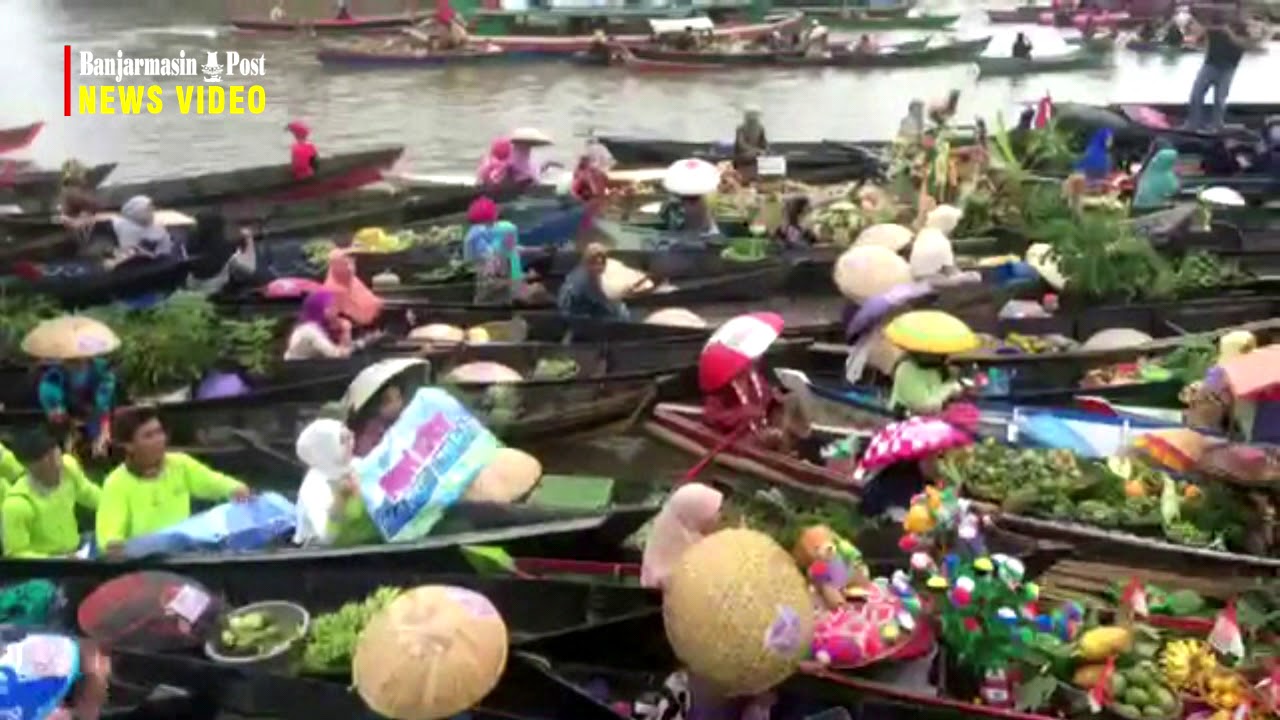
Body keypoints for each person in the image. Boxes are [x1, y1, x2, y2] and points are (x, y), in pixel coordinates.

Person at [95, 406, 250, 551]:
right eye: (149, 436)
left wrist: (236, 489)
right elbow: (111, 543)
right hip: (146, 566)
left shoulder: (180, 464)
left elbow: (215, 482)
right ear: (129, 445)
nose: (160, 440)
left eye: (160, 432)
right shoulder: (116, 484)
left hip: (185, 554)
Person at [1, 428, 101, 558]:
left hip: (78, 548)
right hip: (49, 568)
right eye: (46, 458)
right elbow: (16, 554)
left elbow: (89, 494)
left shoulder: (68, 468)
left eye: (55, 451)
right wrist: (60, 560)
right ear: (29, 465)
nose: (56, 460)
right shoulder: (16, 504)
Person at [293, 418, 377, 547]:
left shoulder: (355, 465)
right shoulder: (313, 489)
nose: (351, 442)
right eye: (342, 441)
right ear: (325, 451)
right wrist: (340, 501)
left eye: (349, 436)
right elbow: (327, 539)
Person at [640, 482, 723, 589]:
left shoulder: (691, 538)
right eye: (715, 511)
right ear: (693, 514)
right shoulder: (667, 570)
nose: (719, 516)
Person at [38, 356, 117, 458]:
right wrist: (58, 410)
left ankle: (97, 445)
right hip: (68, 415)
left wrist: (103, 428)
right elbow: (51, 401)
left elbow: (104, 400)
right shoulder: (54, 375)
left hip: (95, 412)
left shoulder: (102, 369)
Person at [1185, 9, 1247, 132]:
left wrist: (1229, 32)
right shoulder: (1211, 29)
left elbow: (1243, 45)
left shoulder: (1241, 28)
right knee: (1196, 94)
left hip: (1228, 68)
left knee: (1220, 98)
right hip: (1210, 65)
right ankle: (1193, 124)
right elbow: (1199, 36)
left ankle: (1217, 125)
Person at [557, 243, 631, 320]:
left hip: (594, 313)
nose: (597, 267)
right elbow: (600, 298)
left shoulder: (604, 276)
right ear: (586, 263)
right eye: (593, 263)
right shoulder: (579, 278)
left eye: (601, 264)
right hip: (577, 316)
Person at [284, 290, 353, 360]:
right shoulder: (310, 331)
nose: (335, 311)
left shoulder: (316, 328)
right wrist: (346, 331)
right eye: (330, 307)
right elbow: (338, 356)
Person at [324, 248, 383, 327]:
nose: (350, 268)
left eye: (351, 263)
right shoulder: (332, 288)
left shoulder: (353, 281)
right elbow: (330, 315)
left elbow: (371, 302)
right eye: (345, 264)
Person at [352, 382, 409, 457]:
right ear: (380, 405)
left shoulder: (405, 421)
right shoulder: (371, 431)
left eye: (399, 398)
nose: (399, 403)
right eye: (388, 401)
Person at [111, 195, 173, 260]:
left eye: (151, 207)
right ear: (138, 210)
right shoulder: (126, 227)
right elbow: (129, 252)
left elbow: (165, 248)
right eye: (148, 208)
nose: (152, 210)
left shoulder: (155, 225)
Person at [733, 108, 769, 173]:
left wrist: (765, 150)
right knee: (750, 155)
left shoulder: (760, 128)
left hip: (757, 153)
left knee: (765, 154)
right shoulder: (741, 128)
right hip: (743, 154)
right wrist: (756, 150)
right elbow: (741, 145)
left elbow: (764, 142)